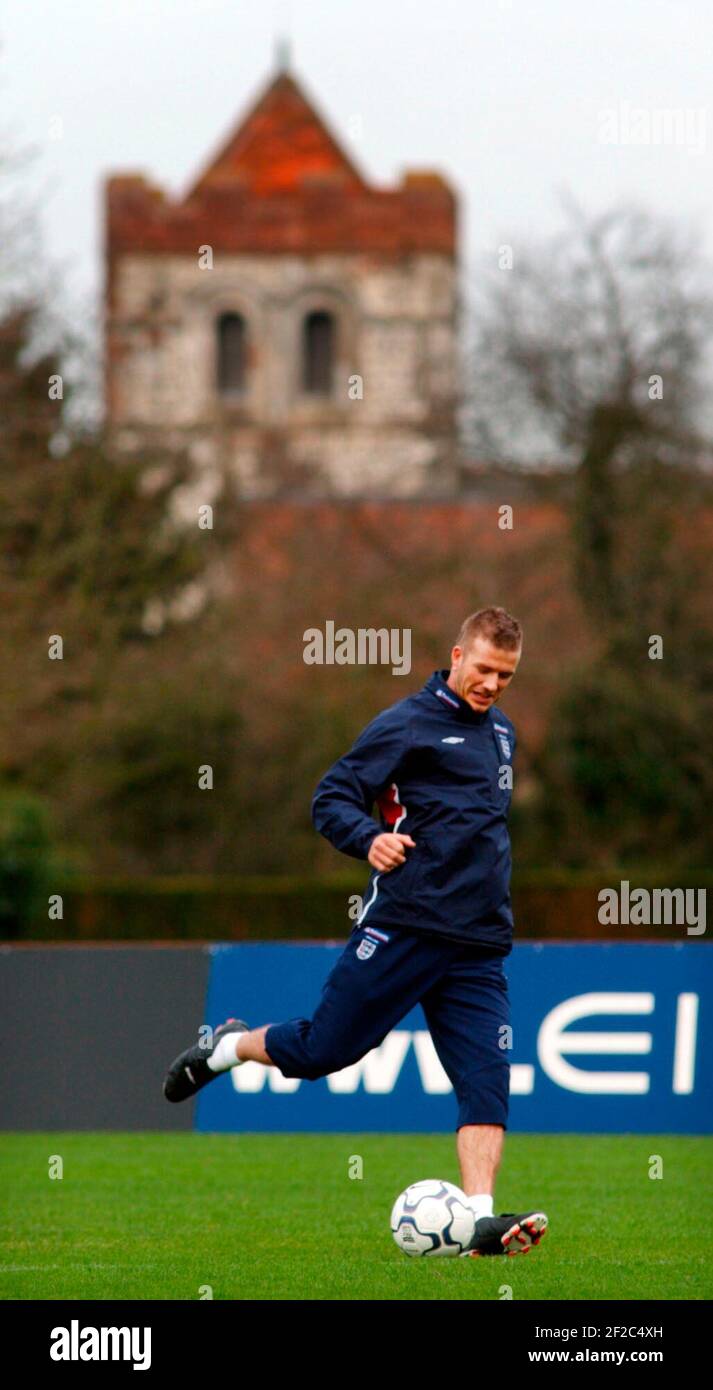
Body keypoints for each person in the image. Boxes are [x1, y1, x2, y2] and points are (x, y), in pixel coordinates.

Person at [163, 606, 548, 1257]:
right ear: (455, 657)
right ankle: (228, 1048)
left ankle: (480, 1218)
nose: (491, 684)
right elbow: (331, 796)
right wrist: (368, 838)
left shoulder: (502, 734)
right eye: (483, 669)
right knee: (322, 1052)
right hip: (403, 925)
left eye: (505, 675)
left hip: (478, 943)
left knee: (485, 1078)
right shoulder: (404, 724)